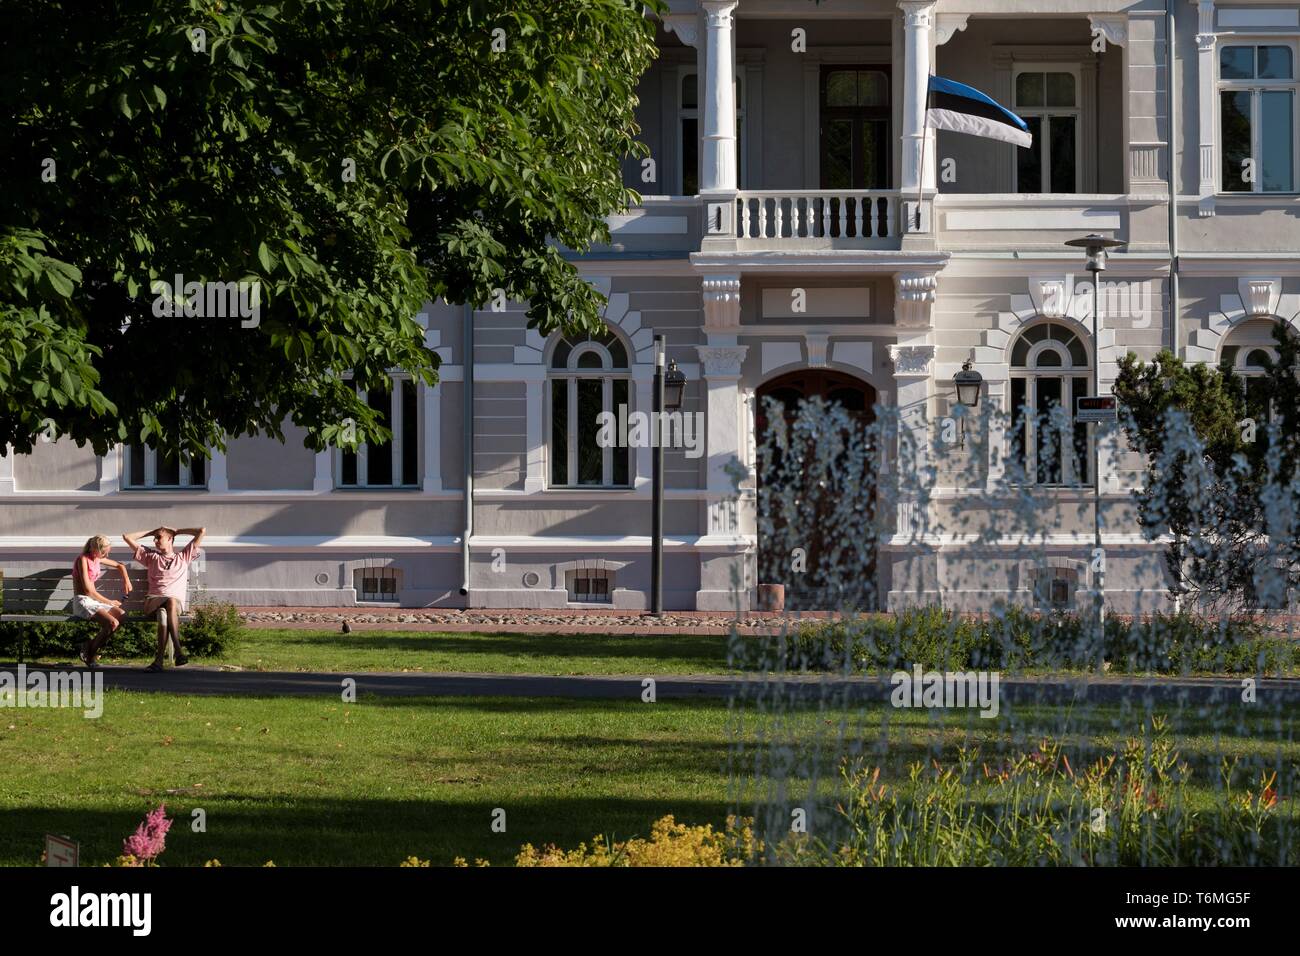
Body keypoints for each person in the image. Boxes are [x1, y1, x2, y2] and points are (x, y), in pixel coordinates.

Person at [123, 526, 205, 672]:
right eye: (154, 538)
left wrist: (177, 530)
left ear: (170, 539)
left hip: (174, 607)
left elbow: (201, 531)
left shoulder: (183, 557)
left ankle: (158, 661)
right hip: (152, 602)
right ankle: (179, 651)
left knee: (164, 612)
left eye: (158, 537)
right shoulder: (151, 557)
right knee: (169, 601)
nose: (155, 541)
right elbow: (127, 536)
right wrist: (152, 531)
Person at [71, 535, 132, 668]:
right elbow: (88, 591)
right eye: (104, 552)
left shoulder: (97, 558)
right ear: (95, 549)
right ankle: (90, 656)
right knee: (112, 623)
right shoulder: (83, 559)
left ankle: (88, 647)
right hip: (83, 601)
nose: (106, 555)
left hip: (93, 601)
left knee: (121, 615)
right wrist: (109, 602)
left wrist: (126, 579)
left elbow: (119, 565)